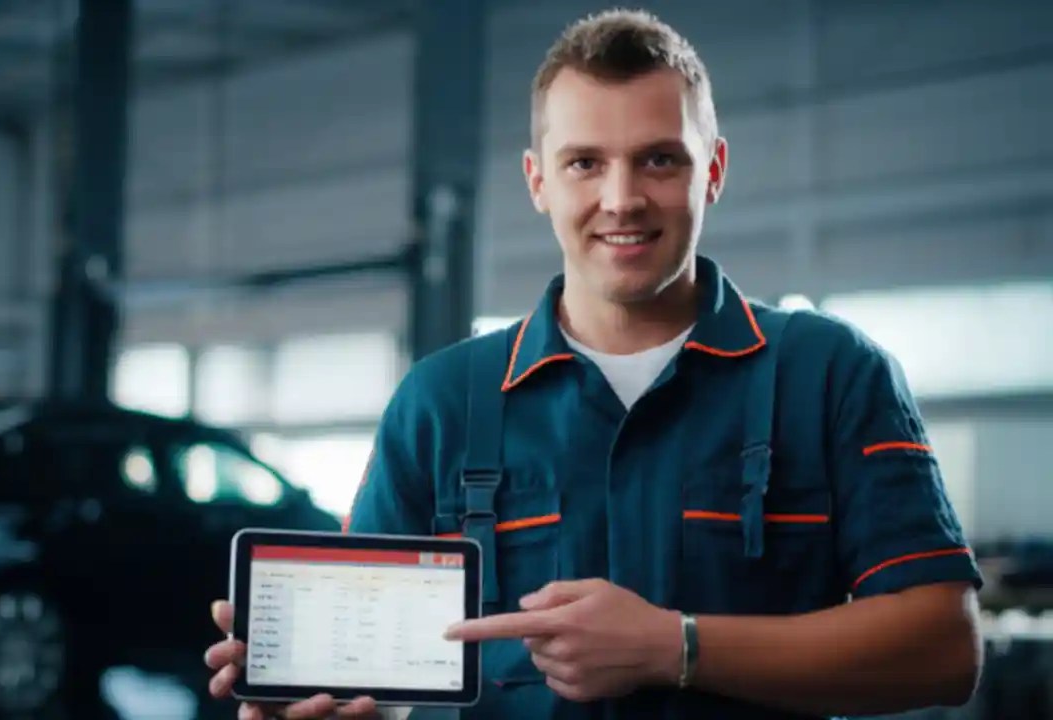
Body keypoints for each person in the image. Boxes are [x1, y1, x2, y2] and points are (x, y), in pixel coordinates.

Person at [204, 8, 984, 719]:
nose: (622, 198)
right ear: (537, 180)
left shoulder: (830, 374)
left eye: (659, 160)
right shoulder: (440, 402)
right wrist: (320, 708)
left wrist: (673, 646)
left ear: (712, 170)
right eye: (584, 163)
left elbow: (945, 649)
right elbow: (373, 682)